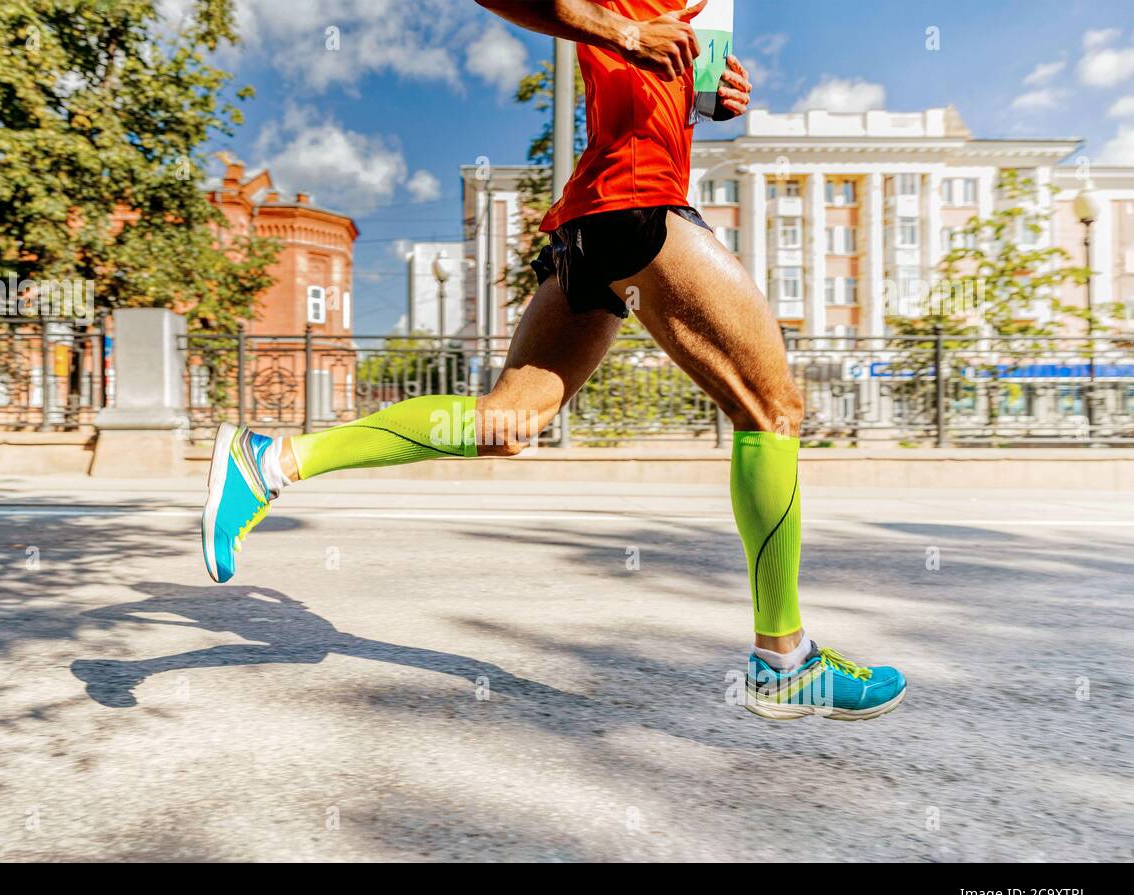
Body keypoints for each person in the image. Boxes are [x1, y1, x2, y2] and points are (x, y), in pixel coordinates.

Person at [201, 0, 906, 721]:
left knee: (510, 419)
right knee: (773, 408)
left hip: (599, 215)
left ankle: (272, 460)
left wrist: (706, 95)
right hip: (635, 204)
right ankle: (784, 661)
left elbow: (650, 84)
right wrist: (624, 31)